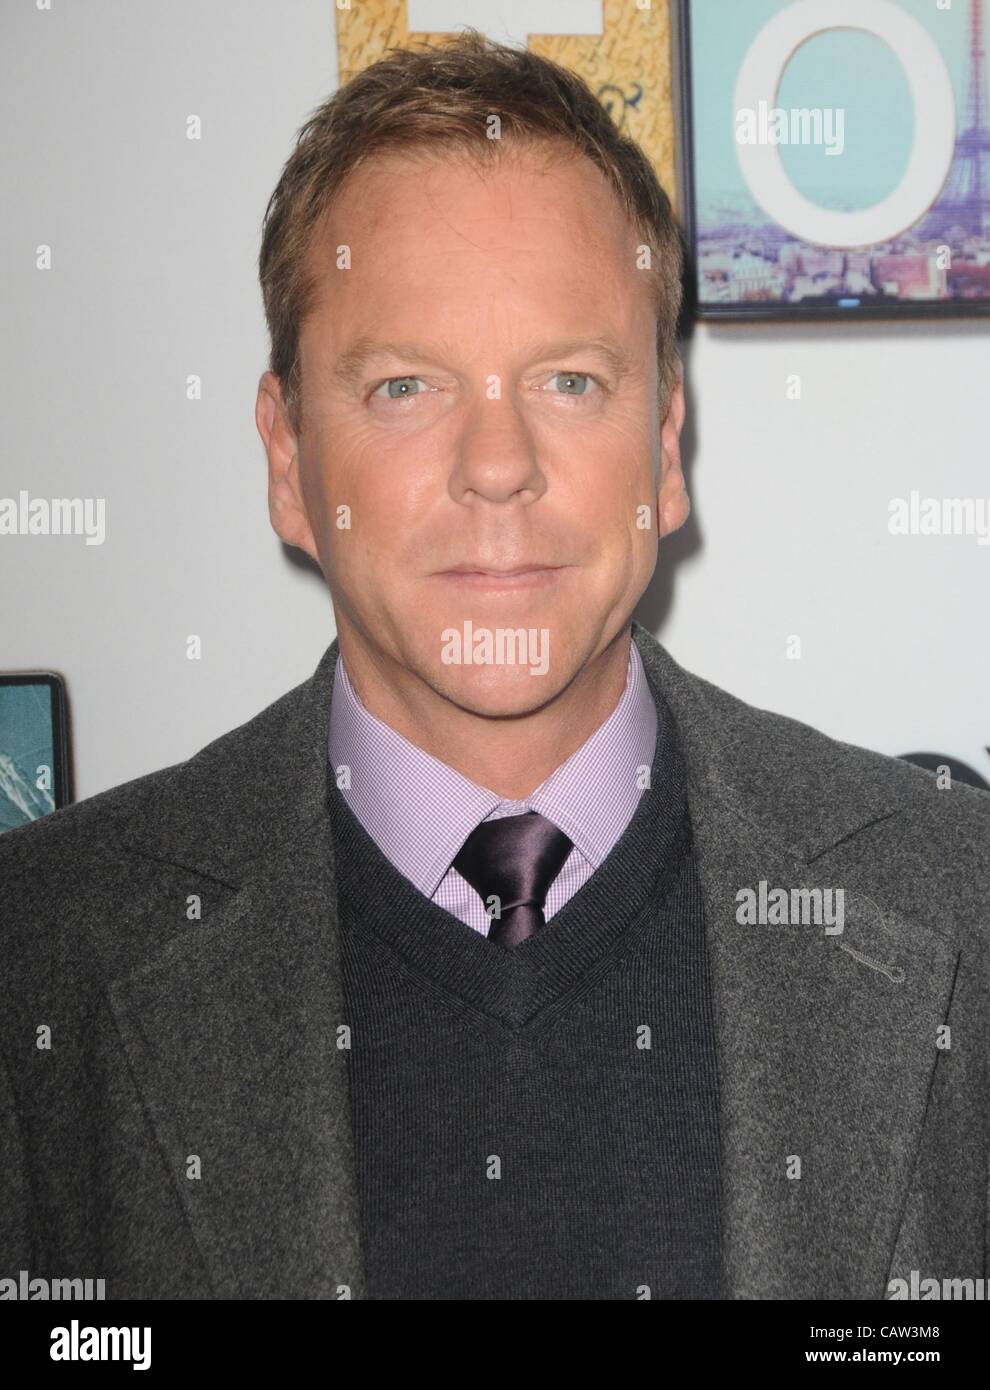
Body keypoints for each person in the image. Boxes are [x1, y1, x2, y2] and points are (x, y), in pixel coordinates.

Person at [1, 30, 987, 1303]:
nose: (498, 462)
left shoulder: (960, 907)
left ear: (666, 448)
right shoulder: (42, 955)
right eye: (406, 386)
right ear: (290, 462)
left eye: (570, 380)